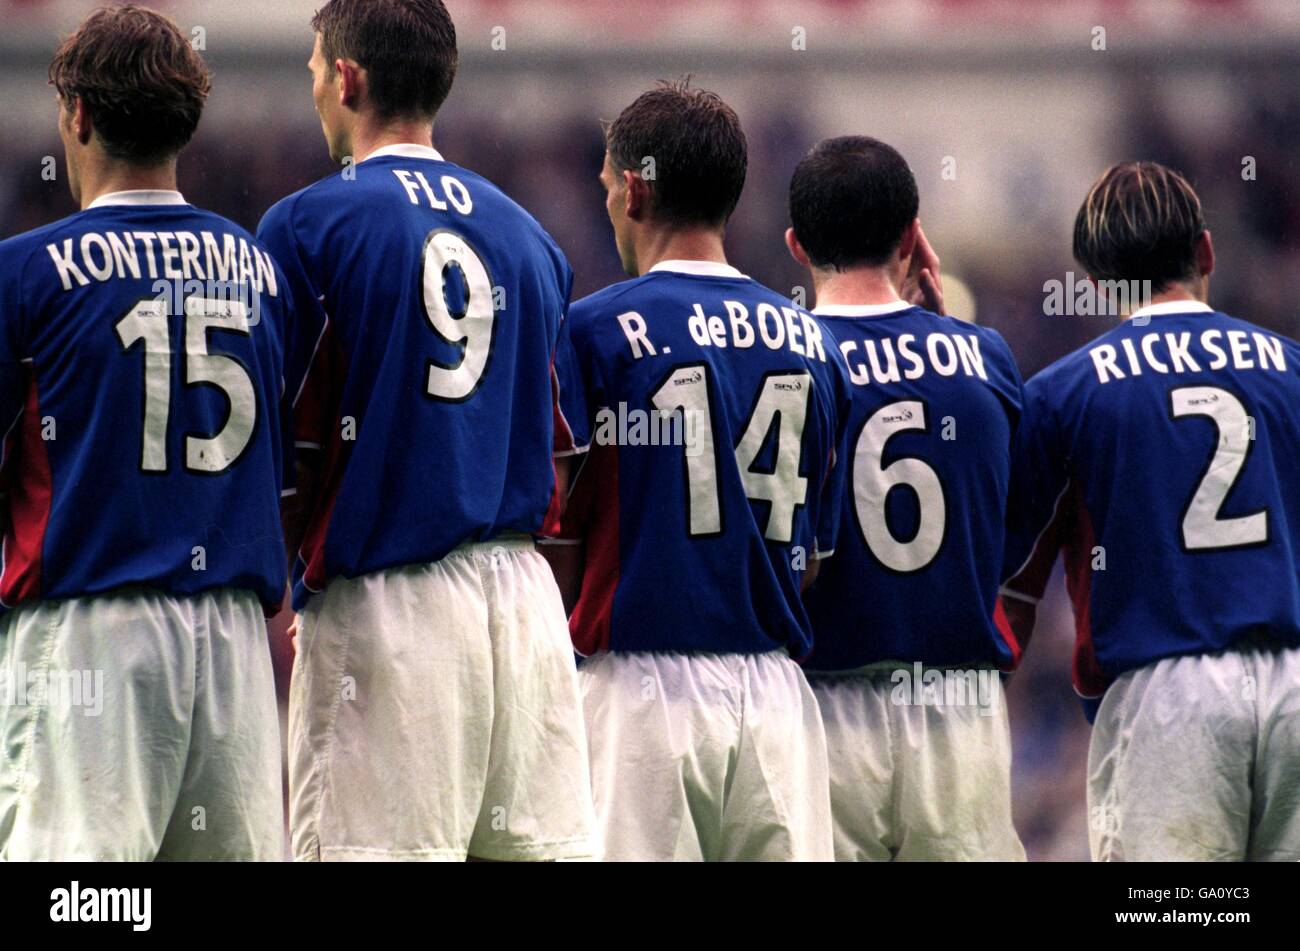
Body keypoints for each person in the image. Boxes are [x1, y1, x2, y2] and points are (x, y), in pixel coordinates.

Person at [258, 0, 594, 862]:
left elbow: (284, 443)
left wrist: (291, 570)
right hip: (523, 609)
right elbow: (565, 450)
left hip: (389, 605)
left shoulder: (305, 224)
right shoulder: (532, 238)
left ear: (348, 78)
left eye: (313, 73)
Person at [0, 5, 288, 860]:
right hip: (233, 642)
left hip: (92, 629)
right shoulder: (263, 271)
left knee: (81, 904)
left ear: (77, 115)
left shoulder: (24, 273)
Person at [544, 81, 850, 861]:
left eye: (610, 186)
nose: (608, 202)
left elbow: (558, 533)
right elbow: (813, 561)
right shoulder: (815, 344)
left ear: (637, 188)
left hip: (639, 696)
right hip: (777, 696)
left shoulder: (592, 331)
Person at [1002, 161, 1300, 861]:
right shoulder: (1293, 366)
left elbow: (1007, 560)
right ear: (1205, 251)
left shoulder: (1063, 394)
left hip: (1167, 698)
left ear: (1101, 283)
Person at [787, 136, 1027, 861]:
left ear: (797, 246)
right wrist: (941, 325)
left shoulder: (782, 358)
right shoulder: (985, 355)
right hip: (960, 709)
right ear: (913, 235)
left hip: (823, 706)